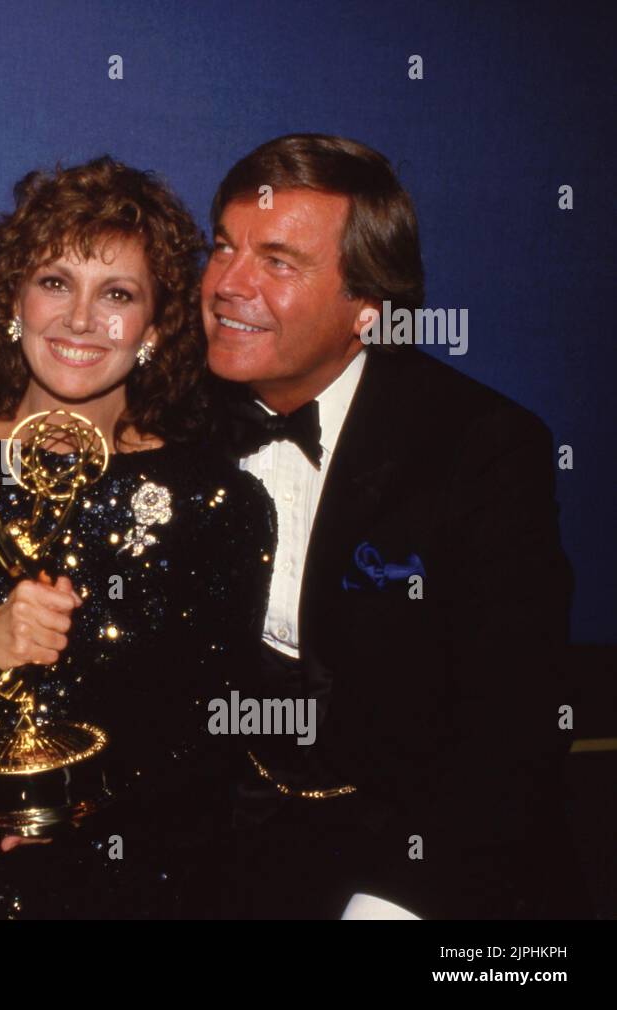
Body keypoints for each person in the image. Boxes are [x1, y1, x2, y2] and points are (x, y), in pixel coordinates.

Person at [0, 156, 276, 918]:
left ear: (157, 327)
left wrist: (79, 819)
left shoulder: (219, 503)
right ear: (13, 304)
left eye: (118, 295)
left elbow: (210, 732)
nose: (79, 319)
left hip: (128, 854)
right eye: (56, 282)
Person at [203, 133, 582, 919]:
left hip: (424, 844)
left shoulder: (481, 447)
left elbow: (510, 723)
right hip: (229, 833)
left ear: (368, 310)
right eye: (222, 249)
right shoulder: (177, 418)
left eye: (277, 261)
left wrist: (398, 900)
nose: (227, 286)